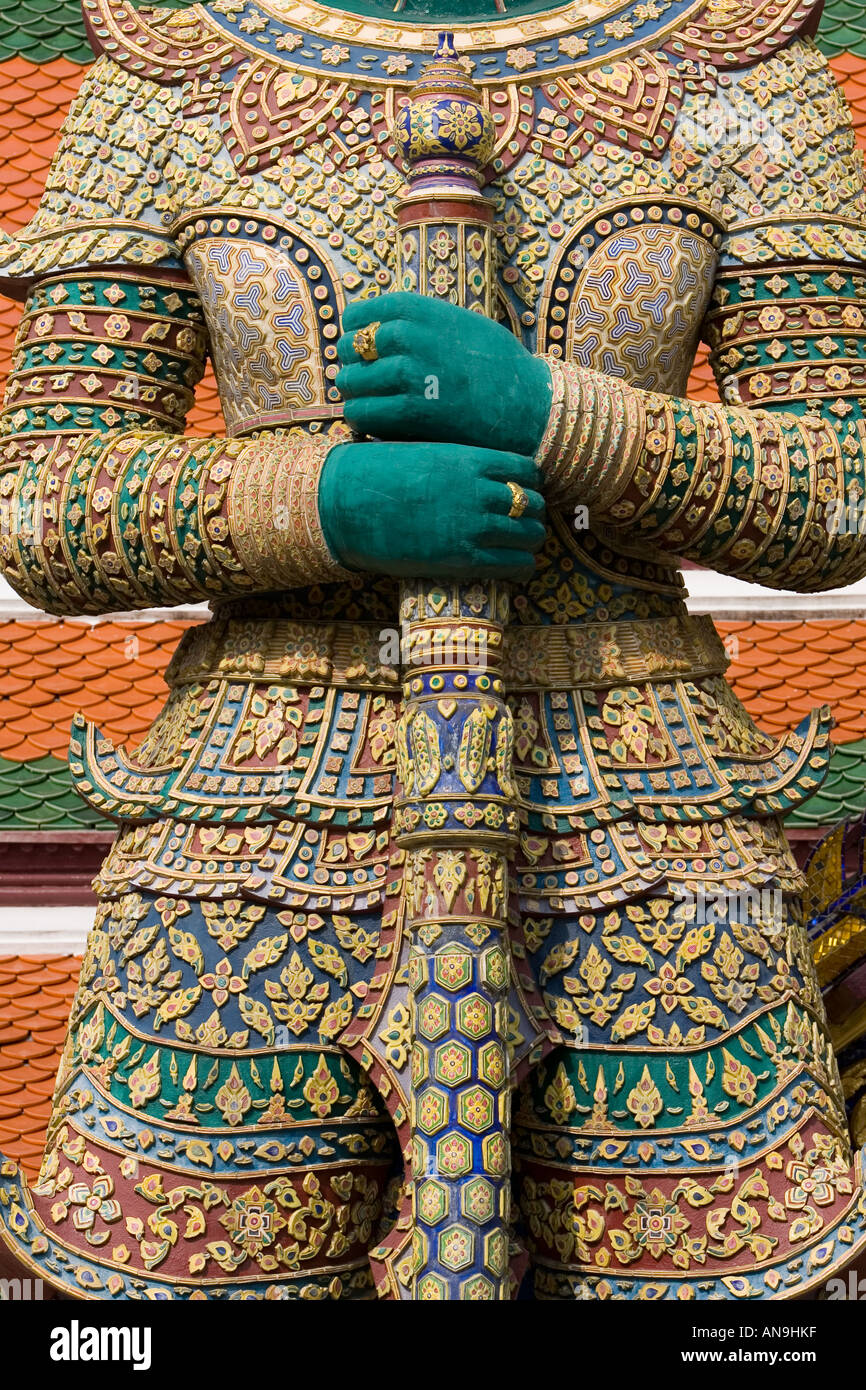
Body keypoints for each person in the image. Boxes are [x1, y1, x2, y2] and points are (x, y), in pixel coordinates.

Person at [0, 0, 864, 1299]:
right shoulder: (177, 76)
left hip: (642, 809)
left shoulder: (731, 72)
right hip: (254, 821)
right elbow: (46, 505)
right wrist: (325, 504)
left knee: (735, 1306)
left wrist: (551, 414)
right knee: (153, 1293)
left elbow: (836, 487)